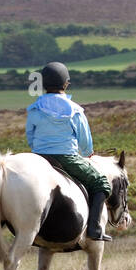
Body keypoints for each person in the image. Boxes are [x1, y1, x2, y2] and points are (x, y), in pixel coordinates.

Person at [26, 61, 112, 241]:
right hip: (67, 158)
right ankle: (95, 229)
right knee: (101, 183)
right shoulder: (75, 110)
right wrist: (88, 153)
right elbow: (85, 143)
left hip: (39, 158)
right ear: (66, 84)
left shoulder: (34, 108)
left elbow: (30, 136)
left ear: (42, 85)